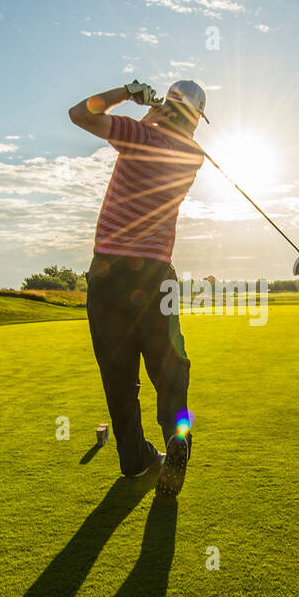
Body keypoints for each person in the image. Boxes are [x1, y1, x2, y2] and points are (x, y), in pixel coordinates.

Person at [68, 78, 208, 498]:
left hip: (109, 274)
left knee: (119, 376)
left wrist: (129, 93)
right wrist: (162, 113)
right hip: (156, 276)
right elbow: (166, 136)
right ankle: (175, 435)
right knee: (170, 367)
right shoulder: (193, 156)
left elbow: (81, 113)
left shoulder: (137, 134)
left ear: (167, 105)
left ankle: (134, 460)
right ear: (197, 120)